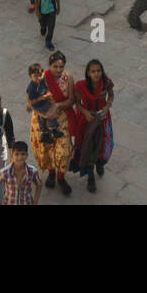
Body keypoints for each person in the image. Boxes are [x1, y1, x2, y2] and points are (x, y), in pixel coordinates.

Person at [31, 51, 76, 196]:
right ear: (49, 66)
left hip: (61, 119)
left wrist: (57, 106)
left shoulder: (68, 78)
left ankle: (61, 178)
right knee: (46, 149)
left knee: (63, 151)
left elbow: (71, 100)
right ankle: (51, 173)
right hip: (42, 119)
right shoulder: (41, 77)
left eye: (61, 67)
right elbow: (30, 100)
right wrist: (45, 113)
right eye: (55, 66)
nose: (58, 70)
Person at [69, 59, 115, 194]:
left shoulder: (106, 83)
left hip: (103, 118)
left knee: (103, 145)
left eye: (98, 71)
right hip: (86, 120)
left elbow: (111, 95)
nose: (96, 74)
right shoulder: (81, 86)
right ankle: (91, 177)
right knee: (88, 146)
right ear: (88, 73)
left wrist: (107, 106)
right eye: (93, 71)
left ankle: (100, 163)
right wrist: (85, 112)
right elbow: (77, 102)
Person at [0, 142, 42, 206]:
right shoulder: (5, 172)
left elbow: (39, 184)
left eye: (23, 154)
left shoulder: (32, 171)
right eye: (16, 154)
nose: (20, 157)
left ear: (27, 155)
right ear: (12, 156)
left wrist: (35, 202)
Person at [26, 63, 64, 144]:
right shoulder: (31, 88)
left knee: (41, 118)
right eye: (36, 76)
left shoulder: (42, 80)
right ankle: (53, 128)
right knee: (50, 113)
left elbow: (46, 87)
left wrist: (48, 92)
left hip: (43, 101)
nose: (39, 78)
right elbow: (30, 101)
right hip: (38, 105)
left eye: (40, 75)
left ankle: (44, 133)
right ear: (30, 76)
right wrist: (41, 98)